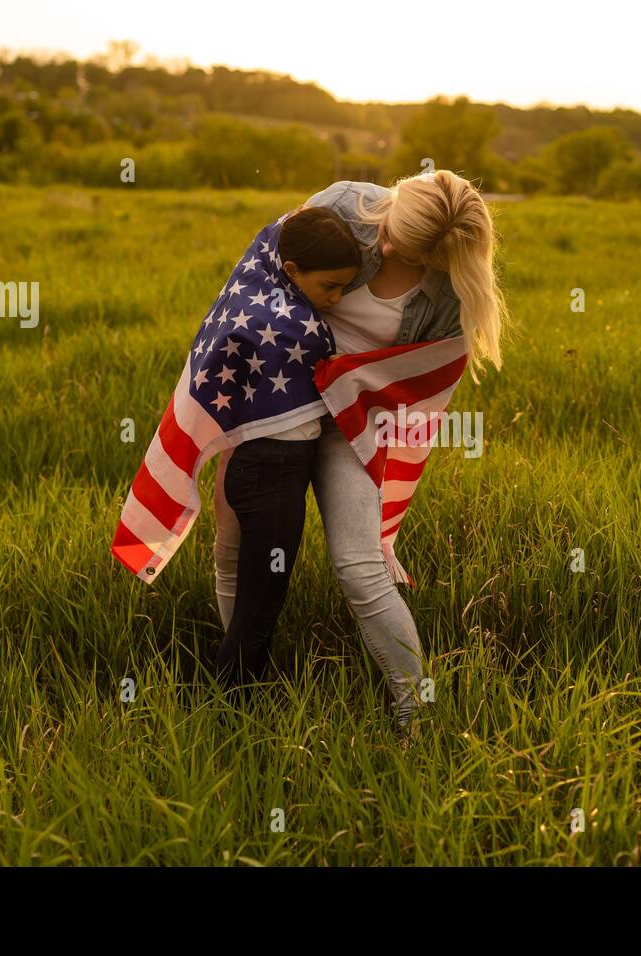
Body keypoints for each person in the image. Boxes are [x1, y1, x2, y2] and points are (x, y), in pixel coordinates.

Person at [214, 170, 509, 728]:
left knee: (358, 564)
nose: (387, 245)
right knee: (234, 544)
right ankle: (241, 684)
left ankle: (415, 711)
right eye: (392, 228)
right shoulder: (345, 206)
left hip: (356, 422)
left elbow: (420, 387)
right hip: (276, 398)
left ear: (446, 256)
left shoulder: (448, 296)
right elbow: (261, 288)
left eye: (410, 249)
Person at [211, 206, 361, 689]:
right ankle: (232, 707)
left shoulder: (259, 298)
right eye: (331, 286)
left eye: (344, 287)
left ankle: (236, 697)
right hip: (270, 473)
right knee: (260, 608)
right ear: (293, 270)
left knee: (257, 599)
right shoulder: (290, 325)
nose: (337, 299)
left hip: (263, 471)